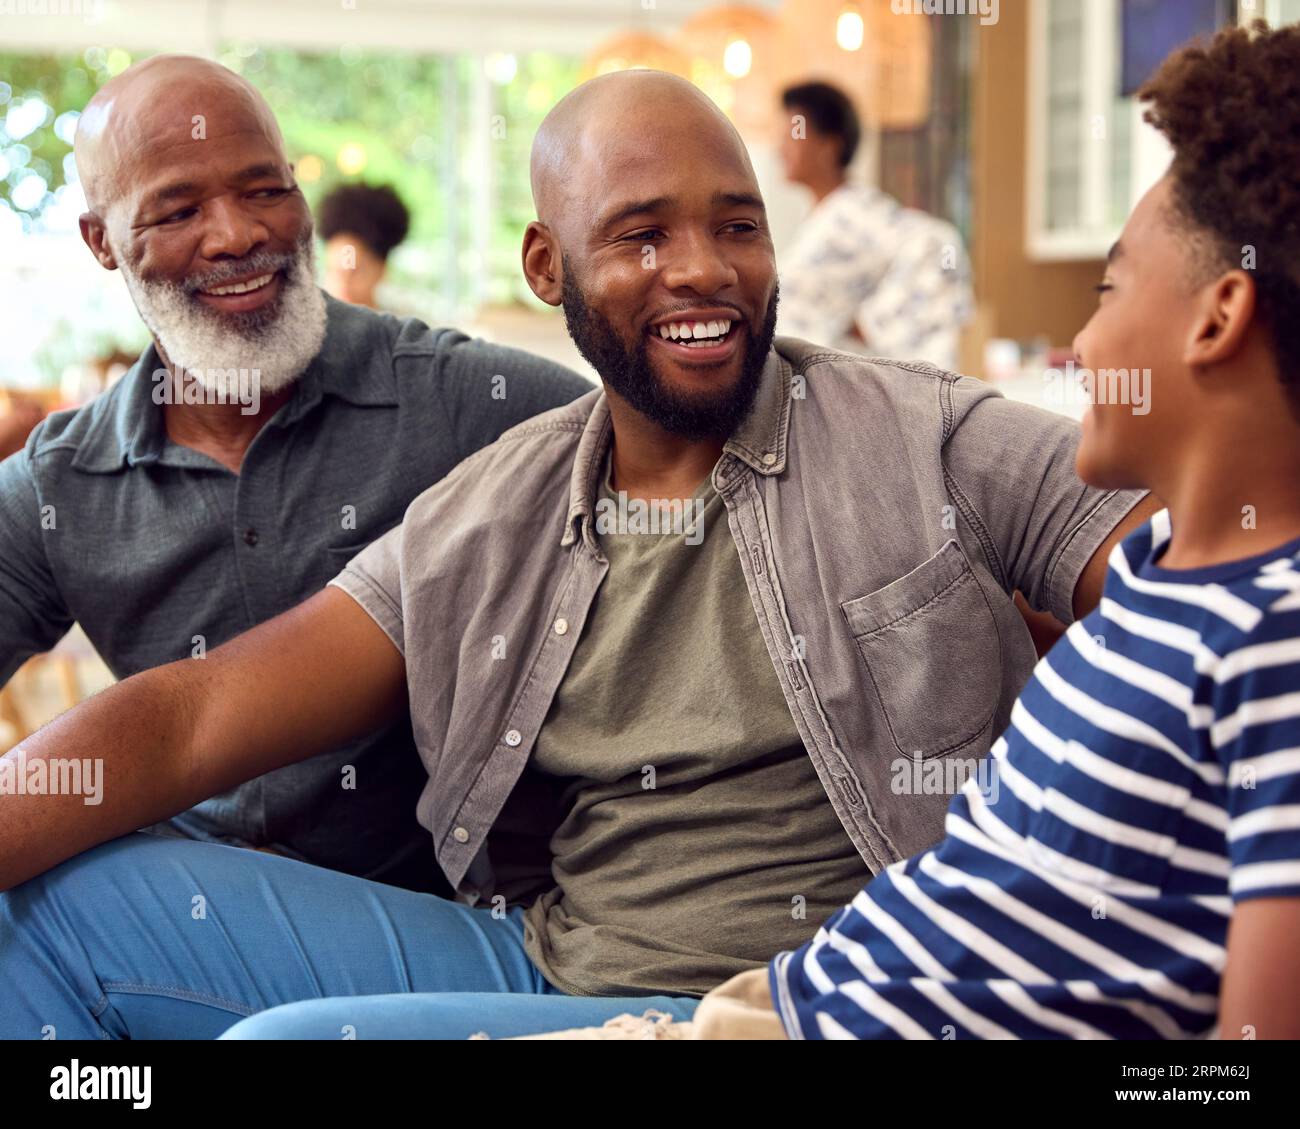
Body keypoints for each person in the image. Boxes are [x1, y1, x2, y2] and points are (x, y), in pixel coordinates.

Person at [0, 70, 1154, 1041]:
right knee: (60, 902)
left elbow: (1202, 585)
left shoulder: (928, 433)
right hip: (549, 968)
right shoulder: (492, 506)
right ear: (547, 269)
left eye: (737, 225)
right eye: (642, 234)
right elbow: (194, 718)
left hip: (804, 995)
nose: (701, 268)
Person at [689, 21, 1300, 1041]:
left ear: (1215, 317)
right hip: (792, 997)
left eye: (1107, 291)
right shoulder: (1161, 576)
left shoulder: (1274, 639)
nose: (1079, 343)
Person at [0, 55, 590, 893]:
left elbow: (666, 486)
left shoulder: (468, 402)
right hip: (191, 915)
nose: (238, 233)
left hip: (438, 927)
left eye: (265, 190)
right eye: (178, 208)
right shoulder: (58, 486)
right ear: (101, 242)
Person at [776, 81, 973, 370]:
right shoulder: (821, 219)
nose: (780, 148)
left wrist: (874, 325)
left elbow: (939, 242)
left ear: (829, 145)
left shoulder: (853, 212)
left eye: (792, 135)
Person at [318, 183, 410, 309]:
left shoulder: (403, 326)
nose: (343, 285)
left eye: (355, 273)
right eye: (335, 271)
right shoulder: (307, 324)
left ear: (381, 270)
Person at [0, 396, 45, 462]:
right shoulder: (9, 427)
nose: (33, 417)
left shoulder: (38, 429)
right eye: (29, 412)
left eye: (37, 413)